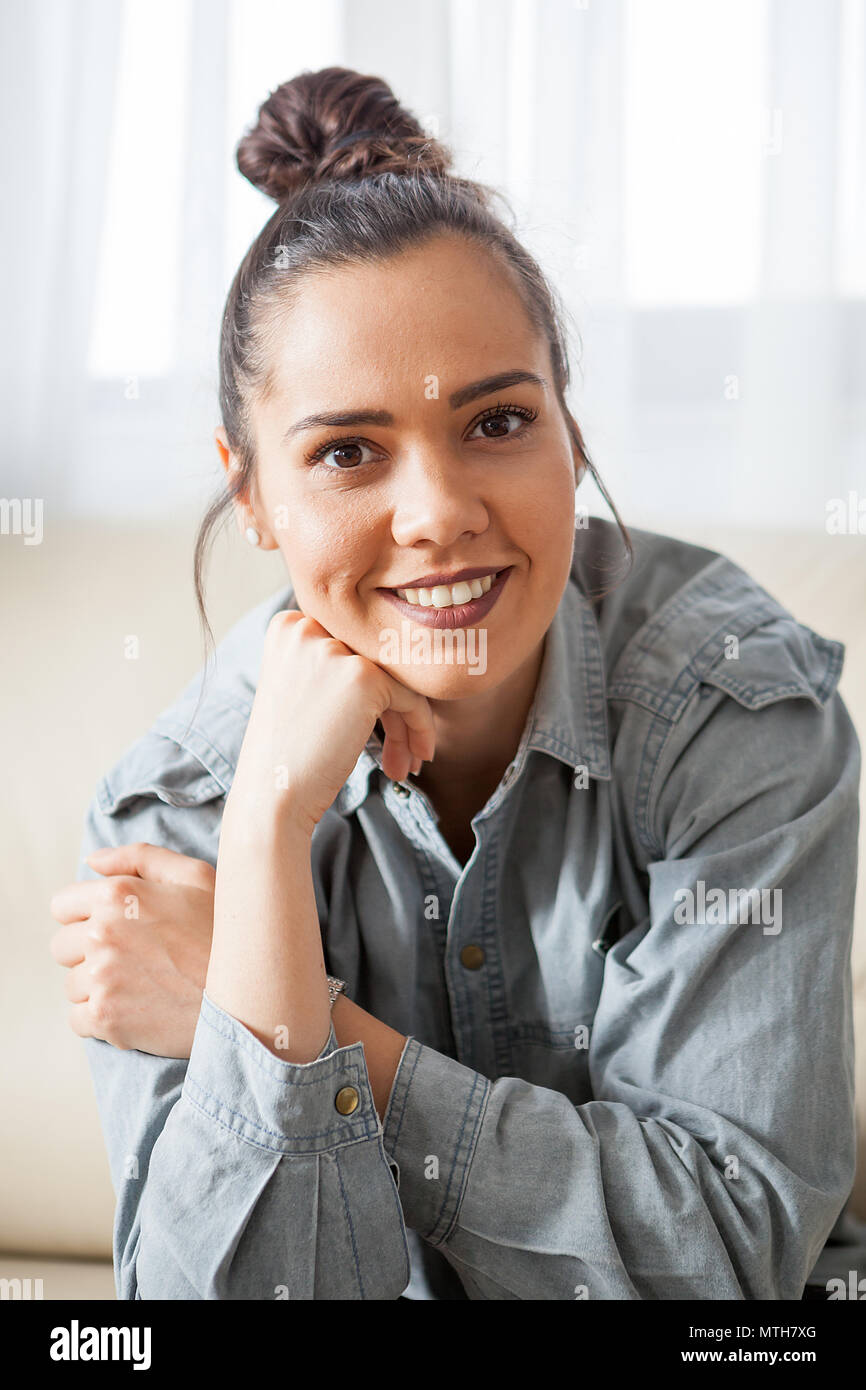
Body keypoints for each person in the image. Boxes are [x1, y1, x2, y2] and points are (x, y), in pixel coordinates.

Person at [49, 66, 864, 1301]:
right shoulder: (182, 807)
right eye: (346, 451)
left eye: (494, 423)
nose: (437, 515)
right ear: (252, 491)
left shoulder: (734, 709)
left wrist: (301, 1025)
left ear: (568, 431)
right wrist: (269, 833)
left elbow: (722, 1258)